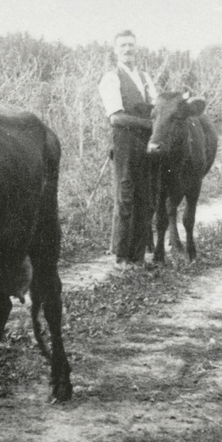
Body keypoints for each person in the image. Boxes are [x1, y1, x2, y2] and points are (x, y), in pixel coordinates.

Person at [98, 30, 159, 270]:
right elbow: (116, 117)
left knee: (146, 197)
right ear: (115, 50)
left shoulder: (145, 77)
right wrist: (148, 124)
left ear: (137, 48)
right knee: (126, 197)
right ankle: (121, 256)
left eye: (131, 45)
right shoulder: (111, 78)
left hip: (147, 145)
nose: (127, 49)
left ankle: (138, 256)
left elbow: (156, 107)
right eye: (122, 46)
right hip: (125, 144)